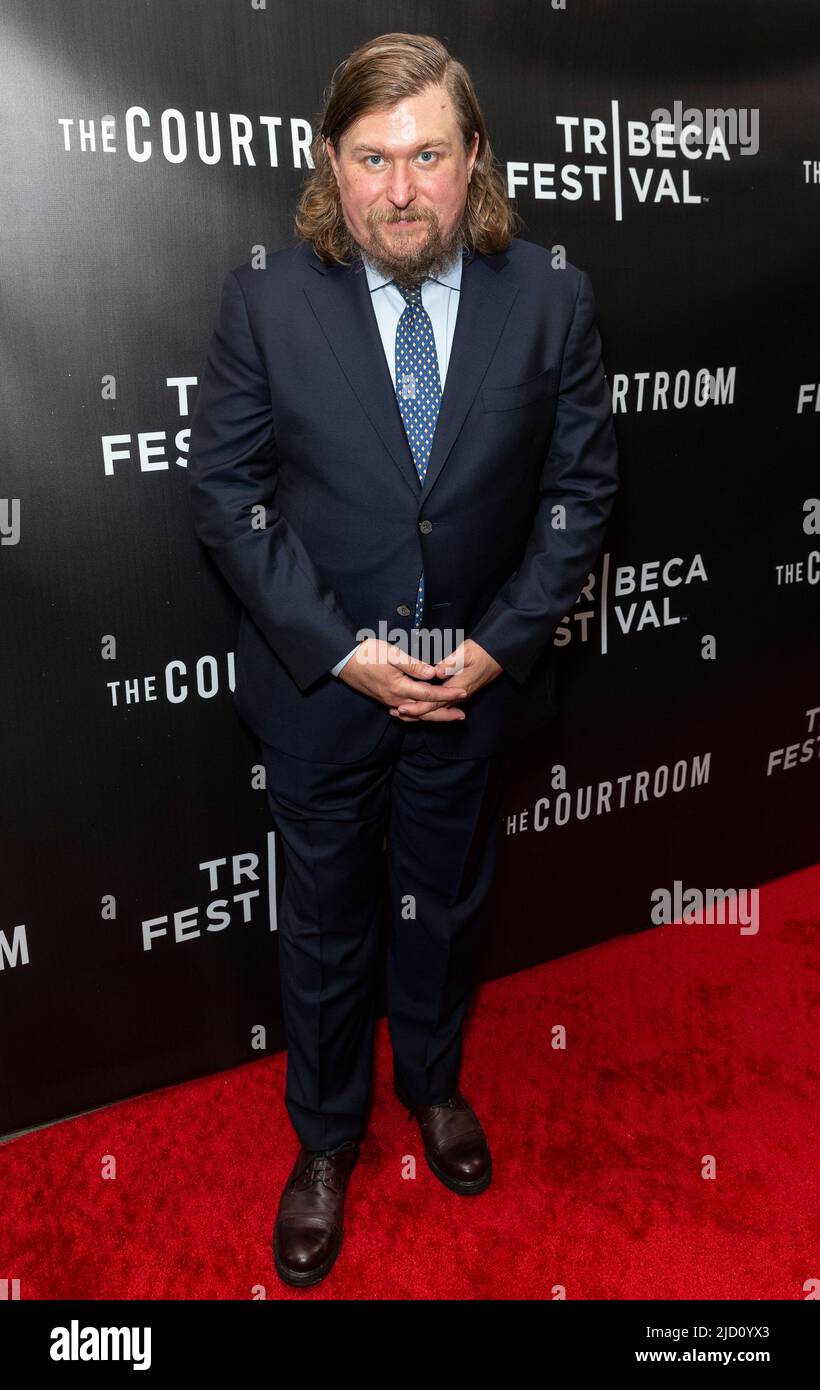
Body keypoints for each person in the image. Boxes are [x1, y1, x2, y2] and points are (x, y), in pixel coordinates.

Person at [187, 30, 619, 1289]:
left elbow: (579, 497)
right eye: (373, 157)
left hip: (471, 687)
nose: (400, 187)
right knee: (322, 927)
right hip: (324, 693)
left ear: (473, 157)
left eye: (428, 153)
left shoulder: (550, 296)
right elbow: (226, 495)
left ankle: (432, 1089)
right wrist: (341, 652)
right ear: (333, 162)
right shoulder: (266, 298)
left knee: (442, 904)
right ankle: (324, 1141)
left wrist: (493, 649)